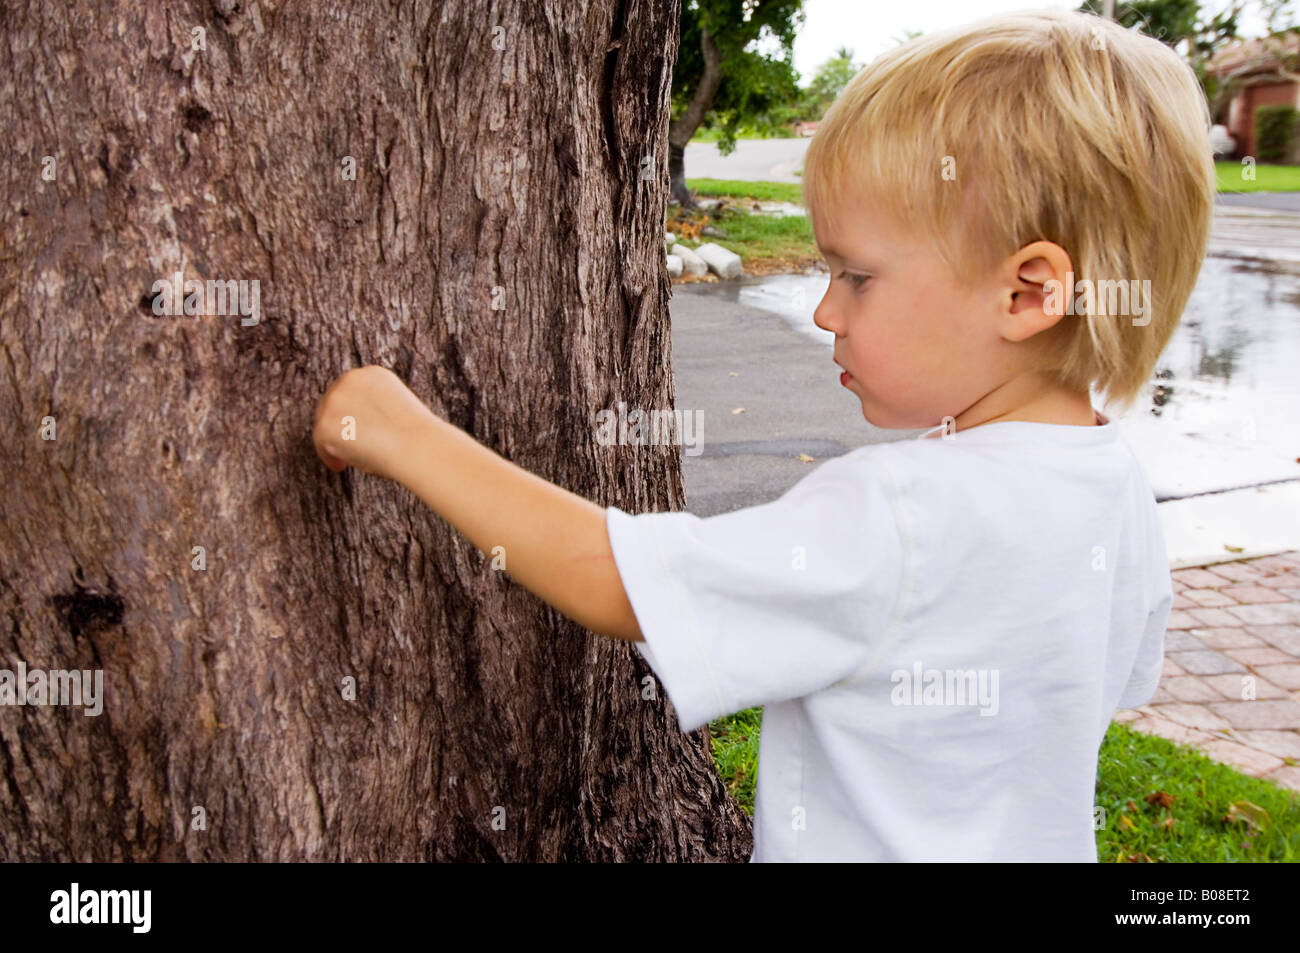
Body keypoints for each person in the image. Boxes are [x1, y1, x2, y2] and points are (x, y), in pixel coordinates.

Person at [311, 9, 1212, 861]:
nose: (825, 310)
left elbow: (616, 579)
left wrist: (401, 432)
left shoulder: (903, 512)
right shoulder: (1115, 486)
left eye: (856, 276)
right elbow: (1108, 684)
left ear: (1027, 295)